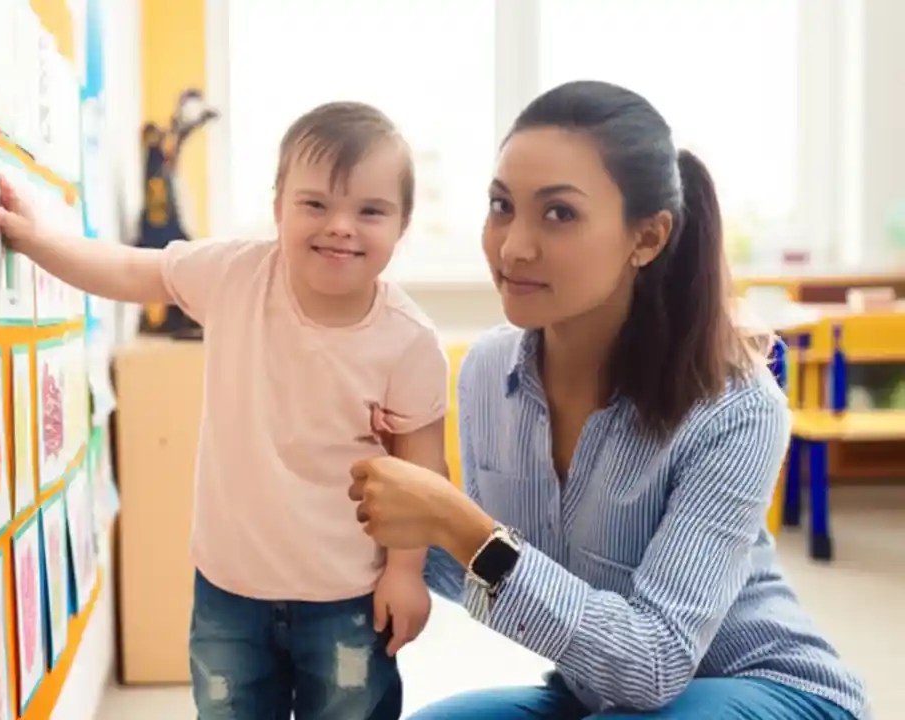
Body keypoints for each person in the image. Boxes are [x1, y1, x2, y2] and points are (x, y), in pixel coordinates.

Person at [348, 80, 867, 719]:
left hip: (766, 688)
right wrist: (398, 512)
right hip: (598, 696)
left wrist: (459, 524)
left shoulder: (737, 408)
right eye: (501, 205)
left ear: (646, 239)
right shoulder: (489, 371)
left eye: (559, 213)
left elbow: (655, 662)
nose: (513, 246)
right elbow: (497, 569)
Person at [0, 101, 450, 719]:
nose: (341, 225)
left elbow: (423, 473)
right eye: (315, 204)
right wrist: (35, 239)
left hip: (348, 593)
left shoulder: (409, 339)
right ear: (278, 208)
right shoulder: (236, 274)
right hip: (229, 590)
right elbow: (134, 269)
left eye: (370, 211)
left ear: (401, 225)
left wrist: (406, 573)